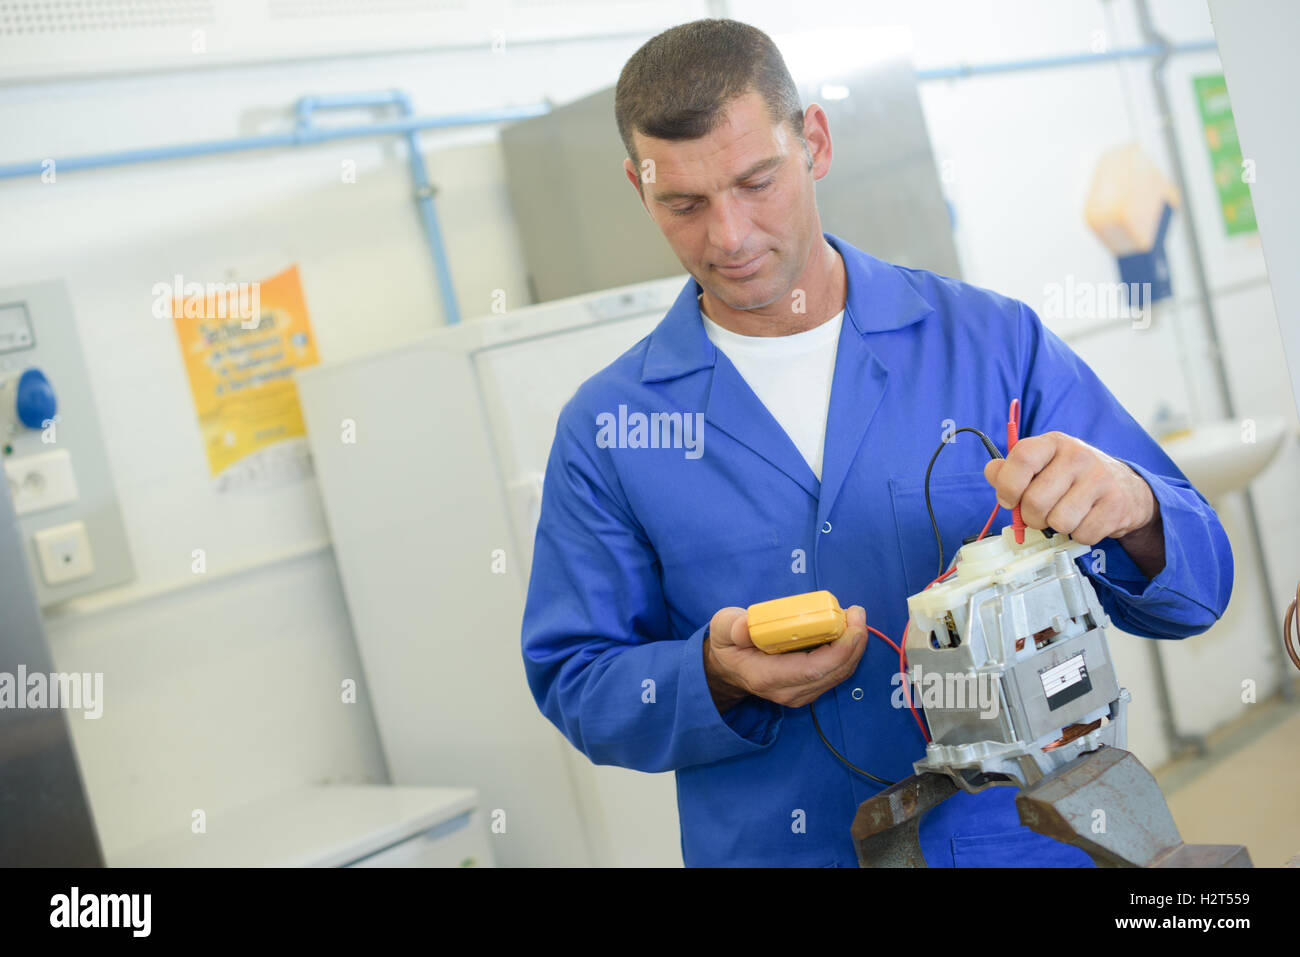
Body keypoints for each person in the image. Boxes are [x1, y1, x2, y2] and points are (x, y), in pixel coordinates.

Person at [520, 18, 1233, 867]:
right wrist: (714, 676)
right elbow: (577, 680)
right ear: (640, 190)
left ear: (813, 141)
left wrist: (1138, 509)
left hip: (1025, 845)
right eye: (685, 203)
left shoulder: (992, 343)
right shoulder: (608, 430)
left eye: (757, 181)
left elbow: (1200, 591)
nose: (732, 235)